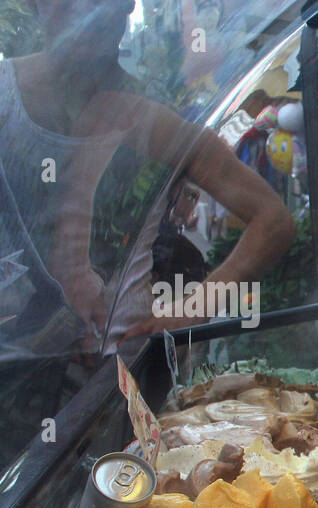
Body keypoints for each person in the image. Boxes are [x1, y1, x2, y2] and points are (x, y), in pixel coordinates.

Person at [0, 0, 295, 467]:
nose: (90, 14)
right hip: (12, 381)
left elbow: (272, 219)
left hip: (114, 388)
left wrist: (190, 309)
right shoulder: (5, 96)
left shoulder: (146, 119)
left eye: (108, 4)